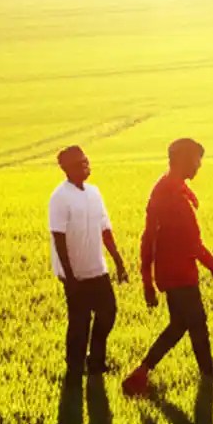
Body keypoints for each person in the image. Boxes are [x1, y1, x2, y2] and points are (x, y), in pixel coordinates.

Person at [122, 139, 213, 396]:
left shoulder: (168, 188)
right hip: (179, 274)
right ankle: (208, 376)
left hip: (172, 272)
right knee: (197, 322)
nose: (199, 166)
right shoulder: (170, 196)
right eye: (196, 160)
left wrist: (150, 279)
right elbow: (188, 241)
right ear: (183, 160)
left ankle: (141, 373)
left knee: (179, 325)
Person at [48, 146, 128, 378]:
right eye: (79, 164)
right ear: (66, 169)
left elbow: (105, 229)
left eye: (85, 161)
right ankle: (74, 367)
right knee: (79, 322)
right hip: (75, 275)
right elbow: (59, 238)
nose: (85, 165)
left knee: (108, 313)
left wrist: (119, 262)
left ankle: (96, 361)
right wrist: (70, 277)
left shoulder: (94, 192)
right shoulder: (60, 197)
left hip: (97, 269)